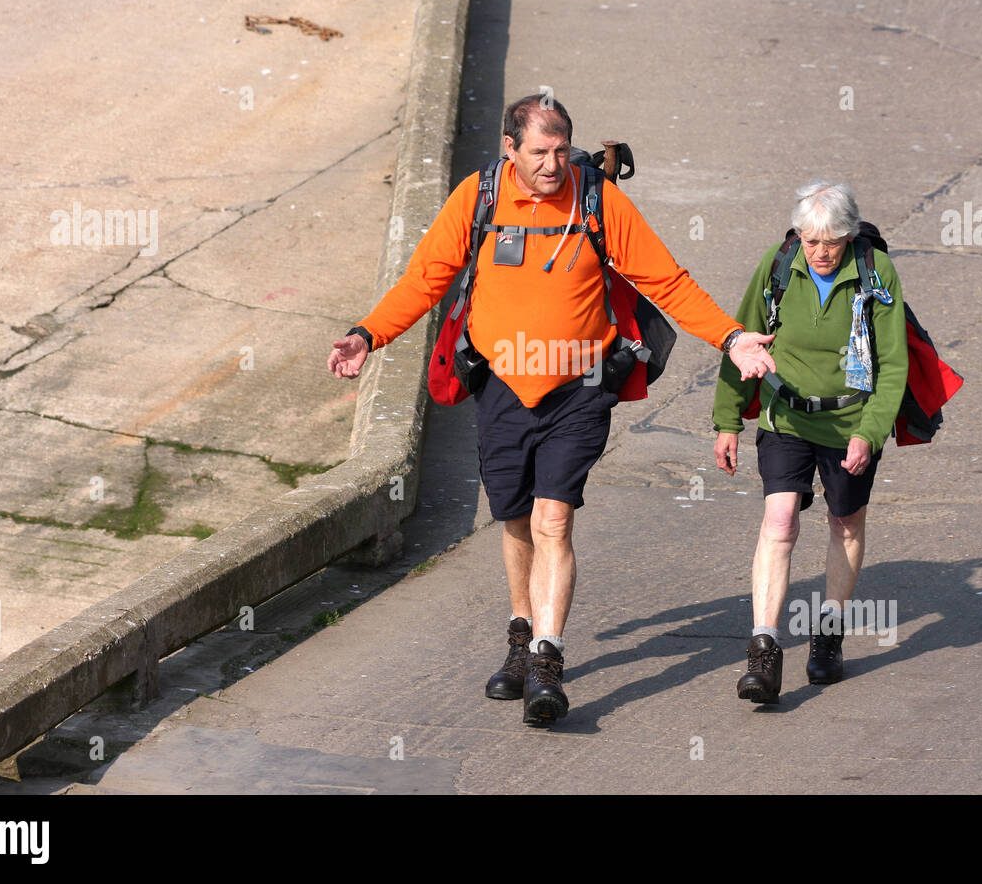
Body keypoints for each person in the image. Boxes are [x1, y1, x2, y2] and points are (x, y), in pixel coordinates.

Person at [328, 93, 776, 725]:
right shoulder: (478, 197)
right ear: (509, 149)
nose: (552, 164)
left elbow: (665, 280)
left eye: (562, 150)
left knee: (552, 520)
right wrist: (367, 335)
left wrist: (731, 337)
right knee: (513, 518)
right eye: (539, 152)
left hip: (581, 387)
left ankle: (547, 659)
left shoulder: (597, 198)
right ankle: (520, 635)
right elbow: (426, 278)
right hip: (503, 387)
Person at [711, 181, 908, 704]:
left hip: (850, 423)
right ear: (799, 235)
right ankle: (764, 650)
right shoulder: (778, 266)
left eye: (832, 242)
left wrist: (870, 432)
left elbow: (893, 366)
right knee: (780, 521)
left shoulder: (876, 274)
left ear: (849, 237)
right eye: (811, 241)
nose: (820, 253)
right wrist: (727, 420)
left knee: (845, 523)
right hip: (786, 419)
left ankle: (828, 635)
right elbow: (742, 341)